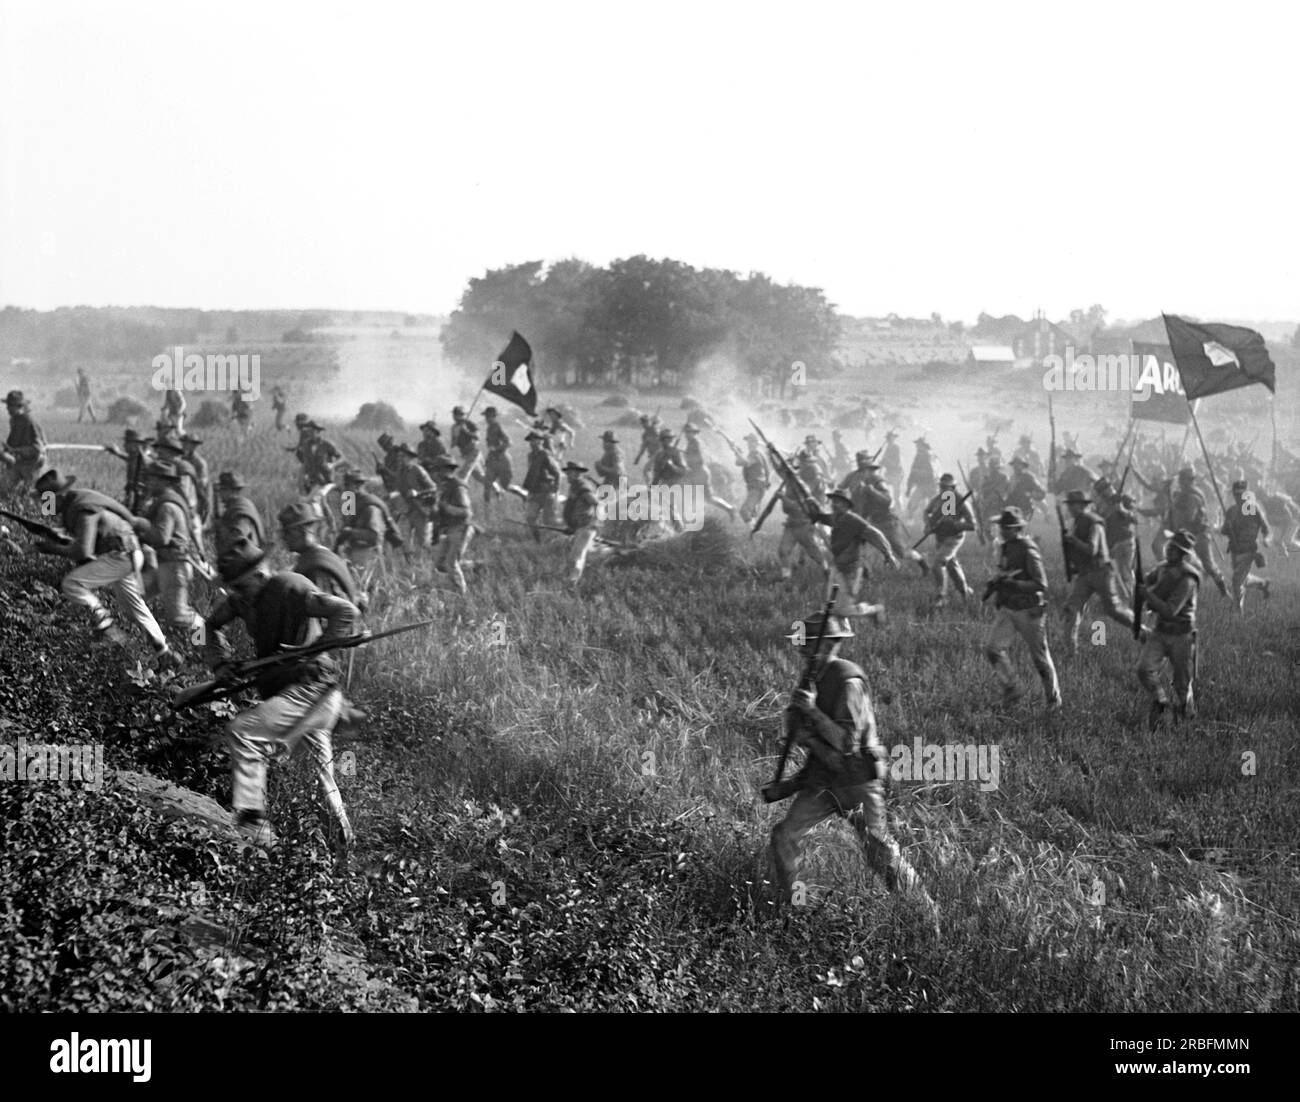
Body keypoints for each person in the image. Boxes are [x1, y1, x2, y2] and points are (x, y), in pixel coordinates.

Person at [766, 612, 937, 923]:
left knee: (879, 852)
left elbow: (846, 743)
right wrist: (798, 728)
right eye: (802, 645)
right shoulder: (813, 678)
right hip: (822, 780)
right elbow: (808, 736)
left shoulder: (848, 679)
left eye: (810, 645)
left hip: (856, 780)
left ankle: (926, 916)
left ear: (832, 644)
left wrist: (811, 712)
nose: (804, 651)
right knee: (786, 836)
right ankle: (799, 910)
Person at [201, 537, 361, 853]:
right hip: (293, 695)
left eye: (241, 587)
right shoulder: (242, 600)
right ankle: (345, 851)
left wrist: (314, 649)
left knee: (243, 732)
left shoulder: (290, 586)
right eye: (233, 588)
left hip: (311, 690)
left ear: (259, 576)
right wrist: (220, 664)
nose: (236, 595)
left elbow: (345, 611)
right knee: (321, 777)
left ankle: (254, 827)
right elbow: (210, 626)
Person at [29, 470, 181, 668]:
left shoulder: (83, 508)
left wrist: (53, 549)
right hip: (126, 552)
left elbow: (83, 551)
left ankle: (105, 626)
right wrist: (60, 539)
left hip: (120, 554)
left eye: (47, 499)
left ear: (59, 496)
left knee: (72, 584)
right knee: (133, 606)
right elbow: (88, 541)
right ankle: (164, 651)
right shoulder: (77, 503)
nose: (45, 505)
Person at [983, 507, 1061, 712]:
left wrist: (1014, 584)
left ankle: (1053, 701)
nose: (1002, 530)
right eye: (1002, 527)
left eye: (1007, 527)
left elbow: (1041, 584)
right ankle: (1012, 688)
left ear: (1017, 529)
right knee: (992, 648)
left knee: (1040, 659)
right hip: (1008, 608)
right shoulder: (1004, 547)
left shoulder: (1028, 549)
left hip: (1029, 610)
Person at [1135, 529, 1199, 729]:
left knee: (1182, 685)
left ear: (1183, 554)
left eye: (1175, 549)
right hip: (1160, 631)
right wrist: (1138, 583)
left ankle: (1186, 723)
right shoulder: (1162, 568)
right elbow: (1147, 580)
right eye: (1170, 546)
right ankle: (1160, 701)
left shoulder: (1188, 579)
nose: (1169, 550)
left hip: (1182, 635)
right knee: (1144, 669)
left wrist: (1146, 594)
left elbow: (1171, 610)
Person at [1061, 488, 1135, 655]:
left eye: (1073, 505)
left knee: (1113, 611)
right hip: (1086, 573)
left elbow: (1092, 549)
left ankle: (1143, 631)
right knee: (1072, 608)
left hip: (1101, 571)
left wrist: (1073, 541)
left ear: (1081, 505)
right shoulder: (1079, 522)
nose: (1071, 508)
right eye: (1070, 505)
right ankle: (1071, 652)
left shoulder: (1093, 522)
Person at [135, 459, 205, 638]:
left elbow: (161, 537)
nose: (149, 483)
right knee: (135, 597)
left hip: (174, 566)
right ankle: (143, 641)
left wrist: (142, 527)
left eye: (153, 479)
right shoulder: (165, 502)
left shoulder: (167, 506)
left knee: (179, 616)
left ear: (164, 481)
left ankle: (206, 643)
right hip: (165, 563)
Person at [810, 489, 896, 617]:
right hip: (837, 567)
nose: (833, 504)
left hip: (852, 570)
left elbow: (876, 535)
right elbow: (821, 518)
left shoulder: (853, 520)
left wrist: (888, 554)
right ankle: (837, 632)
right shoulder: (836, 518)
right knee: (829, 606)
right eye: (833, 501)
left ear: (846, 505)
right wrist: (810, 504)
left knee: (845, 610)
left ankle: (875, 610)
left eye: (837, 502)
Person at [279, 502, 359, 604]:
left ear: (305, 531)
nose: (284, 537)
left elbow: (324, 611)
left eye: (288, 532)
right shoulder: (318, 556)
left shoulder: (317, 568)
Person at [1167, 467, 1228, 596]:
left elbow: (1190, 517)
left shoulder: (1193, 496)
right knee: (1178, 562)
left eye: (1183, 480)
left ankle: (1224, 592)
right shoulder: (1183, 494)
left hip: (1199, 535)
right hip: (1187, 534)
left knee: (1209, 566)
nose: (1181, 483)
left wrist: (1176, 509)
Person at [922, 473, 977, 604]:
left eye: (948, 487)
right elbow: (926, 512)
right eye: (942, 487)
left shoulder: (962, 502)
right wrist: (929, 524)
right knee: (952, 567)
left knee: (938, 563)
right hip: (940, 537)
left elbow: (973, 525)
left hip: (954, 538)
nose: (944, 490)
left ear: (954, 488)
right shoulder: (937, 499)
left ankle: (941, 596)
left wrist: (957, 524)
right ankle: (965, 592)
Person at [1219, 479, 1270, 613]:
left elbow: (1265, 528)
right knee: (1243, 578)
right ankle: (1263, 583)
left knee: (1236, 580)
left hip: (1249, 550)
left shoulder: (1253, 509)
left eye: (1241, 494)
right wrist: (1227, 527)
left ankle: (1237, 613)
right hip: (1235, 550)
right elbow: (1224, 530)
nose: (1238, 497)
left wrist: (1266, 539)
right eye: (1236, 494)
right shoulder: (1231, 511)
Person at [431, 455, 473, 593]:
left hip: (460, 528)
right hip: (448, 529)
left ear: (446, 470)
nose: (435, 473)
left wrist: (445, 507)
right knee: (440, 563)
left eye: (438, 470)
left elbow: (465, 512)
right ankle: (473, 566)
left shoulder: (457, 487)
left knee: (450, 562)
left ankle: (461, 592)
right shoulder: (443, 486)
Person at [681, 423, 736, 519]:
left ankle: (729, 509)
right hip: (697, 472)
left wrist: (684, 456)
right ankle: (729, 509)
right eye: (686, 432)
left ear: (694, 433)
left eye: (689, 432)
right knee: (705, 498)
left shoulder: (695, 442)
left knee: (704, 497)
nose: (687, 434)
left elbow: (698, 458)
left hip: (699, 472)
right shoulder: (691, 442)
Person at [561, 461, 600, 587]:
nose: (568, 476)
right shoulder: (575, 486)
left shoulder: (583, 487)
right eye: (567, 474)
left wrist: (595, 521)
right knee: (589, 553)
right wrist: (571, 527)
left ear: (578, 474)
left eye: (570, 473)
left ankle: (572, 582)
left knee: (576, 556)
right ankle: (615, 552)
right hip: (580, 526)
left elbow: (596, 503)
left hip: (586, 525)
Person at [1, 390, 46, 492]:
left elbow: (38, 448)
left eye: (10, 405)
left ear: (18, 406)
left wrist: (18, 450)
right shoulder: (14, 420)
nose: (7, 408)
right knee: (4, 489)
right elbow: (12, 442)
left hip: (32, 464)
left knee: (32, 494)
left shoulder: (30, 421)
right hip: (18, 462)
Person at [522, 431, 563, 540]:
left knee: (549, 521)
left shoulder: (544, 454)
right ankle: (538, 540)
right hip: (534, 491)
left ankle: (559, 537)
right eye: (531, 441)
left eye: (534, 440)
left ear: (540, 441)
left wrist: (555, 489)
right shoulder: (531, 456)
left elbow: (557, 472)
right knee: (530, 518)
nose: (532, 443)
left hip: (546, 491)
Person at [214, 471, 265, 554]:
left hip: (248, 561)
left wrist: (220, 527)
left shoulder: (241, 509)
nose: (219, 494)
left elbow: (238, 537)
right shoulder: (233, 507)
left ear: (231, 491)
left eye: (222, 490)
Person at [104, 427, 150, 513]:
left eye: (127, 442)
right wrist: (117, 453)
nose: (124, 445)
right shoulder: (135, 457)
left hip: (140, 499)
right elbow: (130, 460)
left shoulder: (146, 461)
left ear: (137, 445)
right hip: (132, 495)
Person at [483, 408, 513, 515]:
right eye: (486, 416)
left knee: (506, 486)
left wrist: (497, 449)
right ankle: (487, 511)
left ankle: (522, 495)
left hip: (502, 459)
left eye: (489, 416)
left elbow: (509, 442)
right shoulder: (489, 428)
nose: (487, 419)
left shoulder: (499, 427)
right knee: (487, 485)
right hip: (492, 460)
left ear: (494, 417)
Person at [736, 434, 770, 524]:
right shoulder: (760, 454)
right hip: (758, 487)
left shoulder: (754, 454)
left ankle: (753, 533)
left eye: (751, 442)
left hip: (756, 487)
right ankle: (753, 533)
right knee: (753, 515)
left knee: (744, 511)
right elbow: (767, 470)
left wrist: (737, 453)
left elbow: (744, 463)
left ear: (756, 443)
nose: (749, 444)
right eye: (748, 442)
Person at [905, 436, 937, 516]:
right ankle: (911, 521)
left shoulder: (929, 456)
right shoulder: (920, 456)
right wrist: (909, 487)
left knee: (934, 507)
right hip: (922, 485)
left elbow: (933, 472)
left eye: (919, 445)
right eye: (917, 445)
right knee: (912, 504)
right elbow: (913, 472)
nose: (917, 447)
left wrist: (909, 487)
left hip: (931, 485)